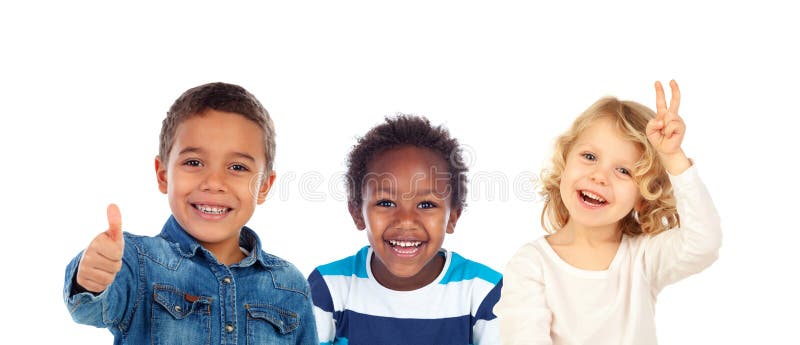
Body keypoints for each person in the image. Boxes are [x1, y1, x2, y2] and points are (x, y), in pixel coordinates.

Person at [63, 82, 318, 344]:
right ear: (163, 175)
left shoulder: (289, 285)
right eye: (194, 163)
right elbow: (88, 309)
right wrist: (91, 279)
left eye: (238, 167)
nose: (214, 182)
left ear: (264, 186)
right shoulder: (136, 262)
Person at [494, 80, 722, 345]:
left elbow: (704, 243)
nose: (599, 176)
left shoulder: (643, 259)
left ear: (643, 197)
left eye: (624, 171)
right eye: (589, 157)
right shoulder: (531, 264)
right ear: (565, 161)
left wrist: (673, 158)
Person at [308, 114, 502, 344]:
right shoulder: (330, 286)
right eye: (386, 203)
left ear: (453, 217)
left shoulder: (482, 291)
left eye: (427, 204)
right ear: (358, 213)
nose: (406, 220)